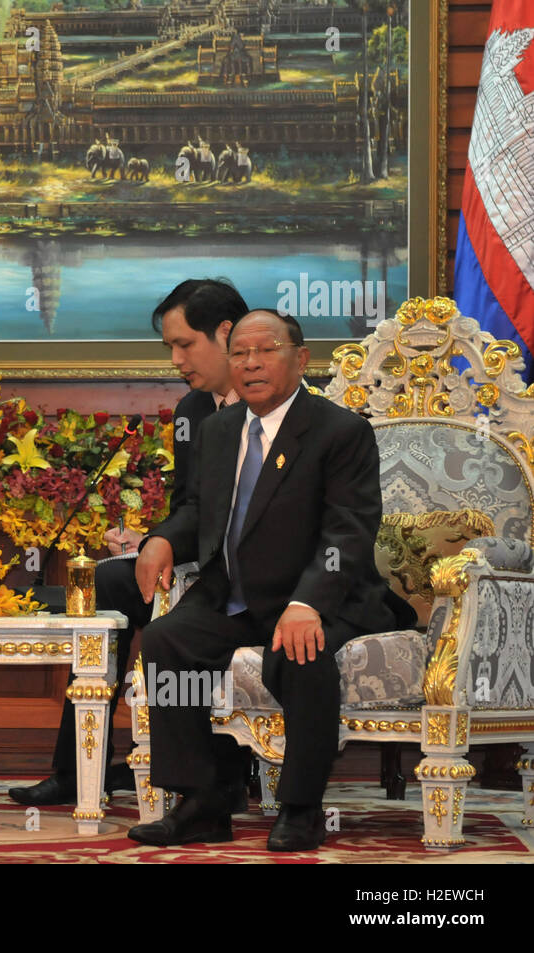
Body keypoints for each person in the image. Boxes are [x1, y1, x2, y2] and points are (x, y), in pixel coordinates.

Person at [127, 310, 415, 851]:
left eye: (266, 350)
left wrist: (308, 602)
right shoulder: (218, 429)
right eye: (239, 353)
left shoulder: (340, 431)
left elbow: (347, 532)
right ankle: (205, 802)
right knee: (168, 640)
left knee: (298, 653)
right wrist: (161, 539)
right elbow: (198, 508)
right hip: (234, 598)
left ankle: (301, 808)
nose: (251, 363)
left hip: (321, 598)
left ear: (300, 359)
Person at [10, 278, 248, 808]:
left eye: (184, 344)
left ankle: (216, 766)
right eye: (170, 348)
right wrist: (153, 539)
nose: (176, 359)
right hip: (200, 562)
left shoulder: (276, 402)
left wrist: (167, 541)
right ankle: (77, 771)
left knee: (132, 583)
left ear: (225, 332)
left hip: (257, 572)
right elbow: (192, 505)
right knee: (109, 581)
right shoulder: (192, 410)